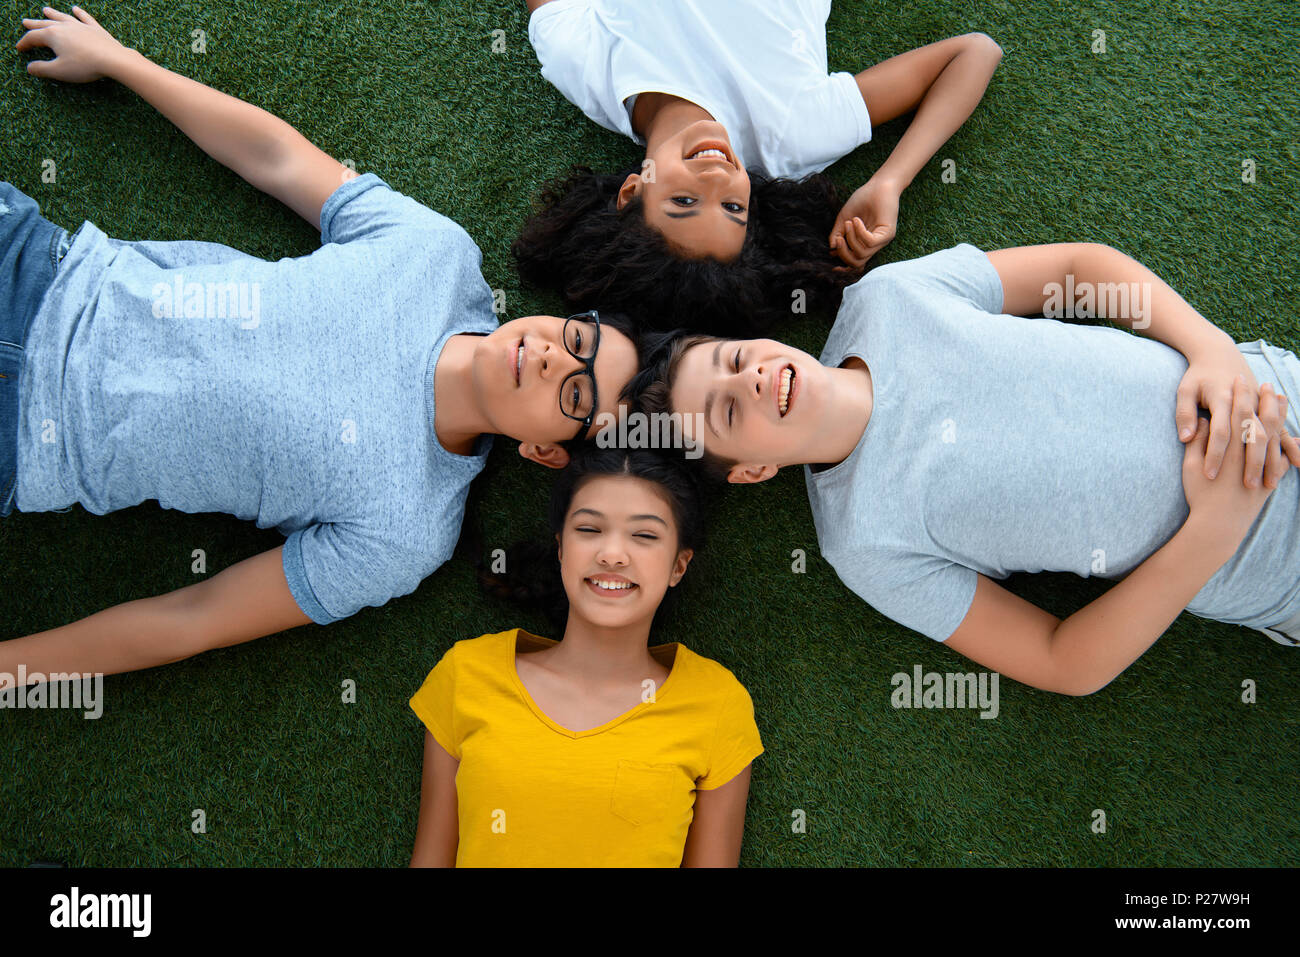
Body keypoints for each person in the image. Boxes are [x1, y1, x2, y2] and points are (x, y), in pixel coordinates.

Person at [0, 6, 639, 682]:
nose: (552, 358)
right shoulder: (438, 257)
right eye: (579, 339)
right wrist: (118, 60)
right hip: (44, 270)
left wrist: (11, 670)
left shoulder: (409, 530)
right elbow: (274, 158)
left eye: (574, 392)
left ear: (545, 451)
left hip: (27, 442)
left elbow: (196, 615)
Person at [631, 242, 1300, 694]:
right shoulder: (863, 543)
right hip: (1270, 562)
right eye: (724, 412)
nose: (747, 379)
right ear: (750, 471)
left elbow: (1079, 264)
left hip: (1270, 393)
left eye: (732, 357)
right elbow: (1061, 661)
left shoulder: (887, 299)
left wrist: (1210, 347)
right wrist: (1217, 527)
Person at [512, 0, 1003, 333]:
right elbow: (974, 53)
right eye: (732, 207)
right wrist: (889, 182)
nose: (718, 179)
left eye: (683, 201)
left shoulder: (589, 71)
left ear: (632, 192)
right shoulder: (792, 135)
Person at [409, 446, 763, 866]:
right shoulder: (468, 673)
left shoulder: (716, 704)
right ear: (561, 549)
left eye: (645, 535)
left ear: (678, 566)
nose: (612, 554)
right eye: (589, 529)